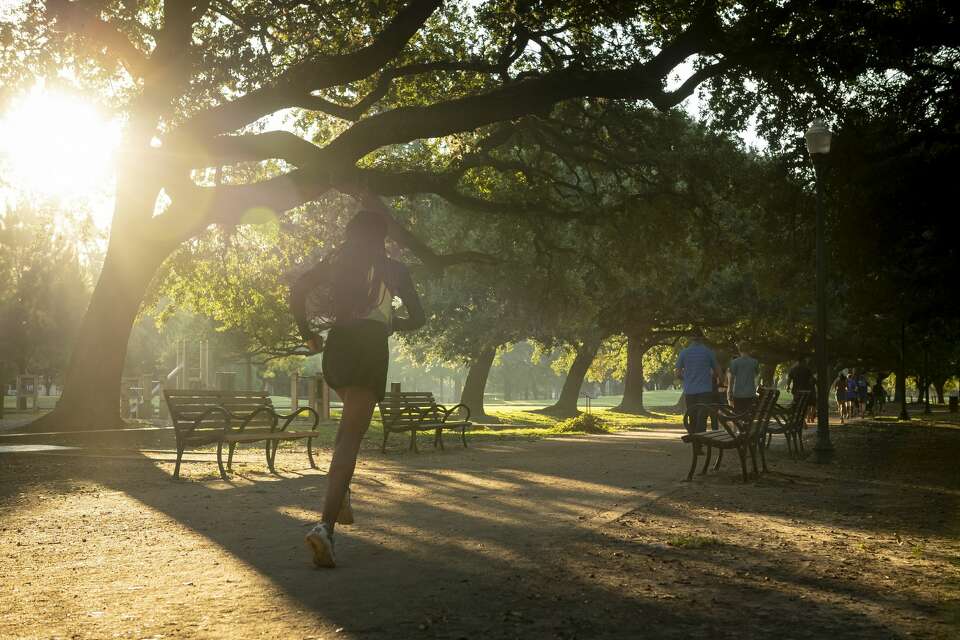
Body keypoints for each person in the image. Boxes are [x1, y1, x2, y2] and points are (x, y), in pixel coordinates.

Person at [290, 207, 425, 568]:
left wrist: (308, 334)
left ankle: (341, 493)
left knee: (344, 437)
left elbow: (298, 288)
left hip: (337, 347)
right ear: (381, 236)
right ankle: (325, 528)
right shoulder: (395, 269)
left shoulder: (338, 263)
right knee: (349, 439)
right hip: (369, 348)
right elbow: (421, 317)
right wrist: (391, 322)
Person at [675, 330, 722, 437]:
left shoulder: (684, 353)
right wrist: (719, 381)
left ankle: (695, 442)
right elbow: (717, 370)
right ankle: (701, 439)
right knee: (702, 417)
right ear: (701, 339)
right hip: (705, 390)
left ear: (690, 339)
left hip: (690, 390)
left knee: (692, 416)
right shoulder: (708, 352)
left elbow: (677, 374)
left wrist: (686, 379)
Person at [727, 343, 759, 414]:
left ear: (739, 350)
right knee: (747, 415)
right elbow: (756, 375)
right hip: (750, 393)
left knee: (738, 415)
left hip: (738, 393)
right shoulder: (755, 362)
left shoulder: (734, 362)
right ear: (749, 350)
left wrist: (730, 391)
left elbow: (731, 379)